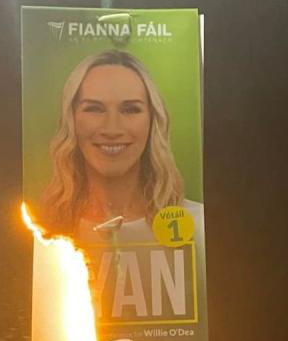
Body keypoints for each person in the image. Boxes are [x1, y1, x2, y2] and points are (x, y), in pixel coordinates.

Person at [40, 49, 204, 245]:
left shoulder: (198, 225)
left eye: (130, 109)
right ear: (71, 119)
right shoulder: (41, 228)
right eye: (94, 109)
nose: (112, 129)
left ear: (153, 120)